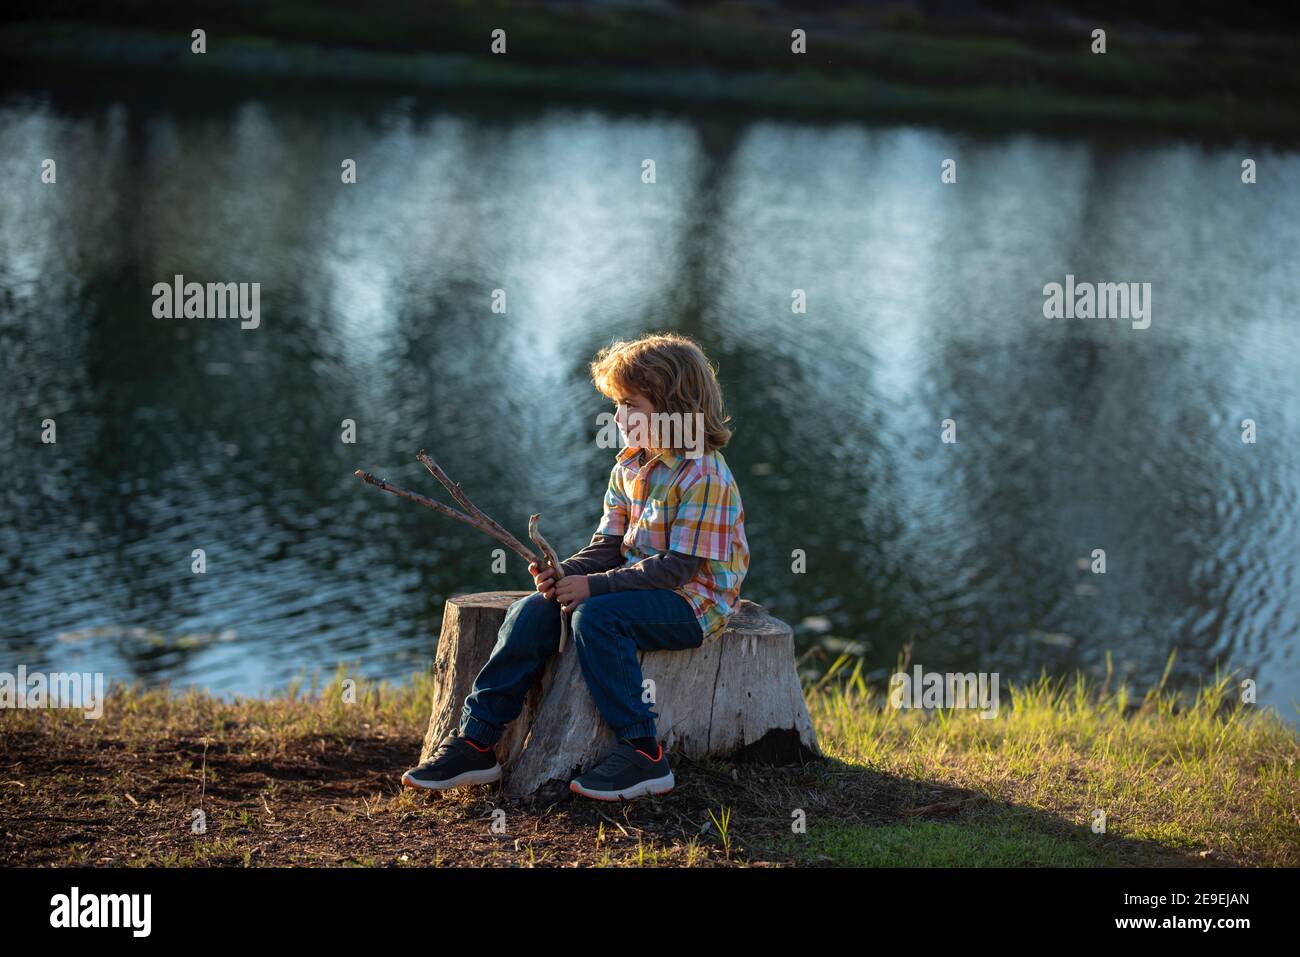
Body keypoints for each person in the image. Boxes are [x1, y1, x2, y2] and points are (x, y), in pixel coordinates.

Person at [402, 332, 749, 800]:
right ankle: (477, 742)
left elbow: (679, 568)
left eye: (631, 405)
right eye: (617, 405)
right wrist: (564, 574)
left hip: (692, 602)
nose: (619, 417)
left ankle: (644, 753)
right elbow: (608, 544)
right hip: (635, 585)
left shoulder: (702, 472)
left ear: (674, 407)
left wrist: (593, 589)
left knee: (597, 617)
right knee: (531, 609)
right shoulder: (629, 465)